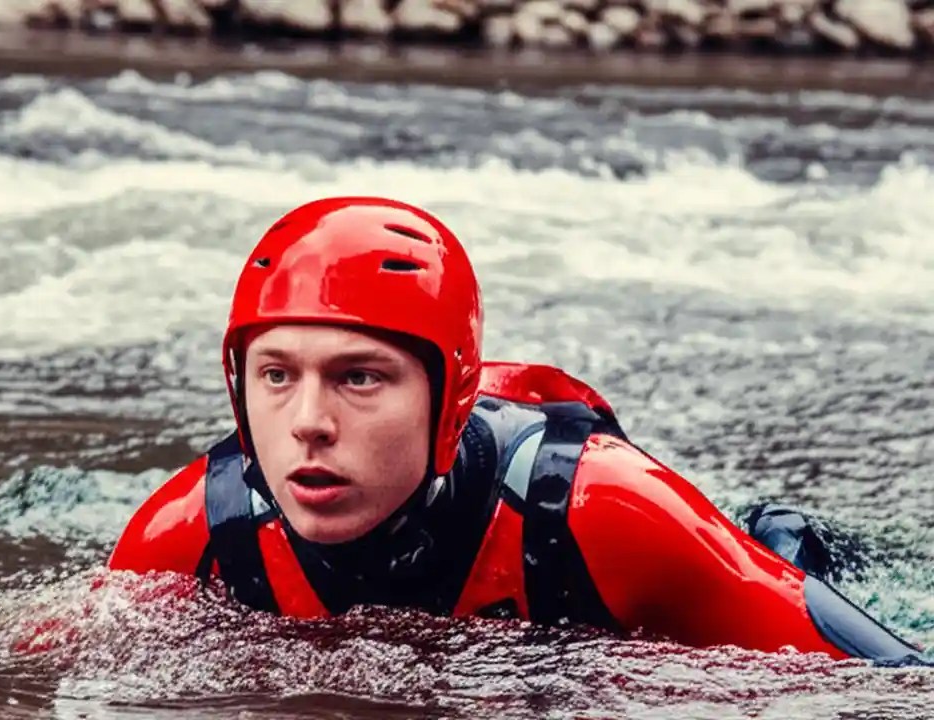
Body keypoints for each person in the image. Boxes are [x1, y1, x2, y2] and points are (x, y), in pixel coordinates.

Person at [103, 196, 927, 665]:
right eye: (277, 376)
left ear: (449, 399)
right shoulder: (191, 532)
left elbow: (897, 687)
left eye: (360, 378)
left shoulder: (609, 512)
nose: (309, 425)